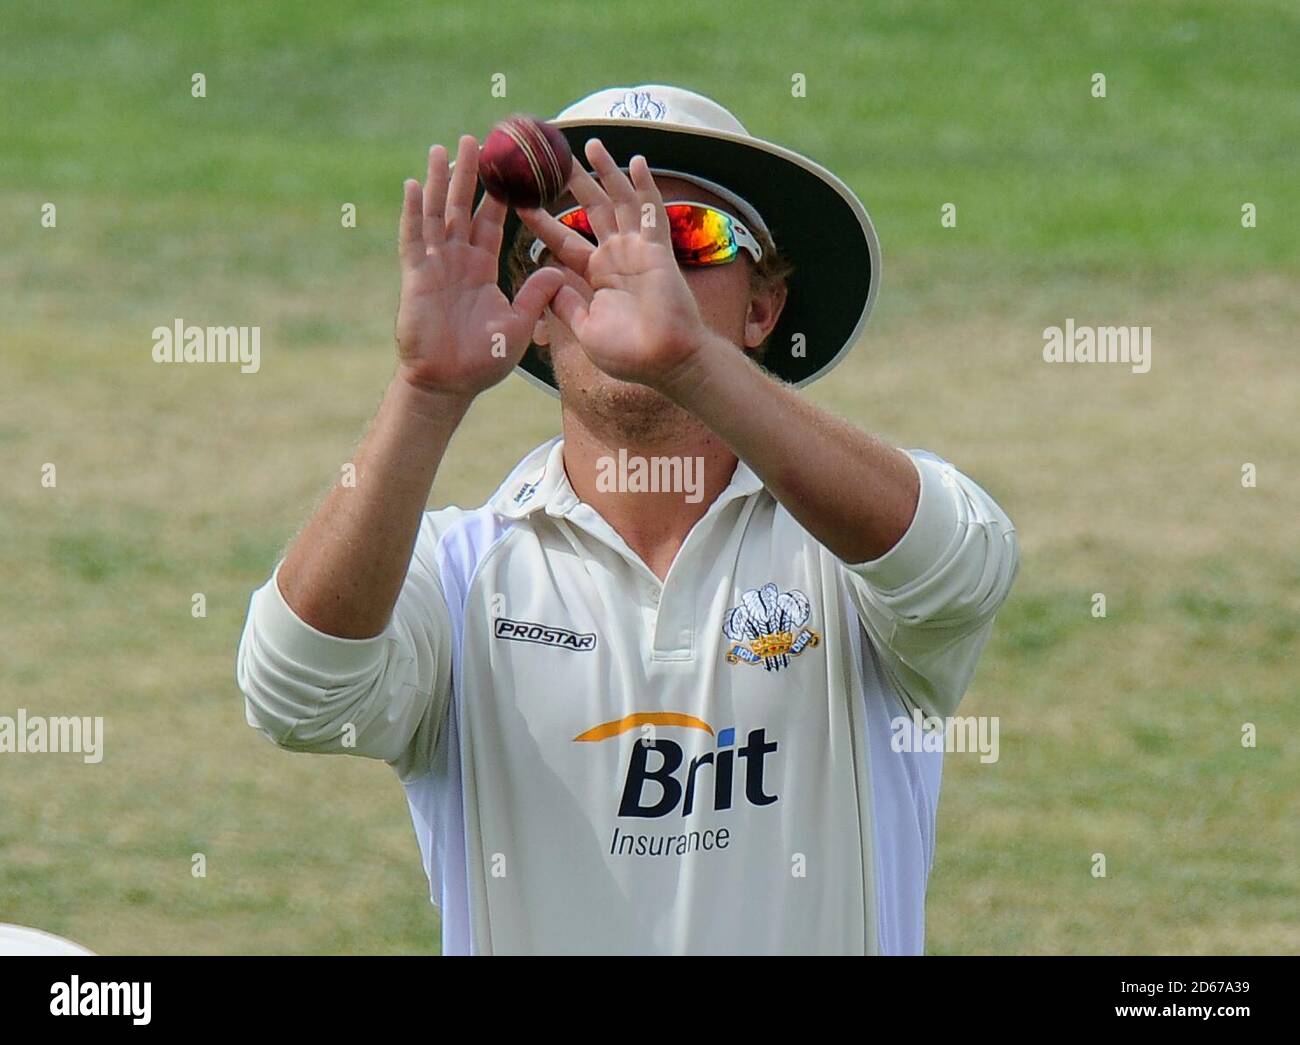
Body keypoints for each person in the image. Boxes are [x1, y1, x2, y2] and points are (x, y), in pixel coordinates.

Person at [236, 85, 1019, 955]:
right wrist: (425, 392)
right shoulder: (458, 573)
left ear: (762, 309)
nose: (629, 266)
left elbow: (964, 563)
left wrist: (690, 361)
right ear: (532, 308)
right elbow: (294, 695)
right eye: (582, 238)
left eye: (685, 236)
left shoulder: (850, 553)